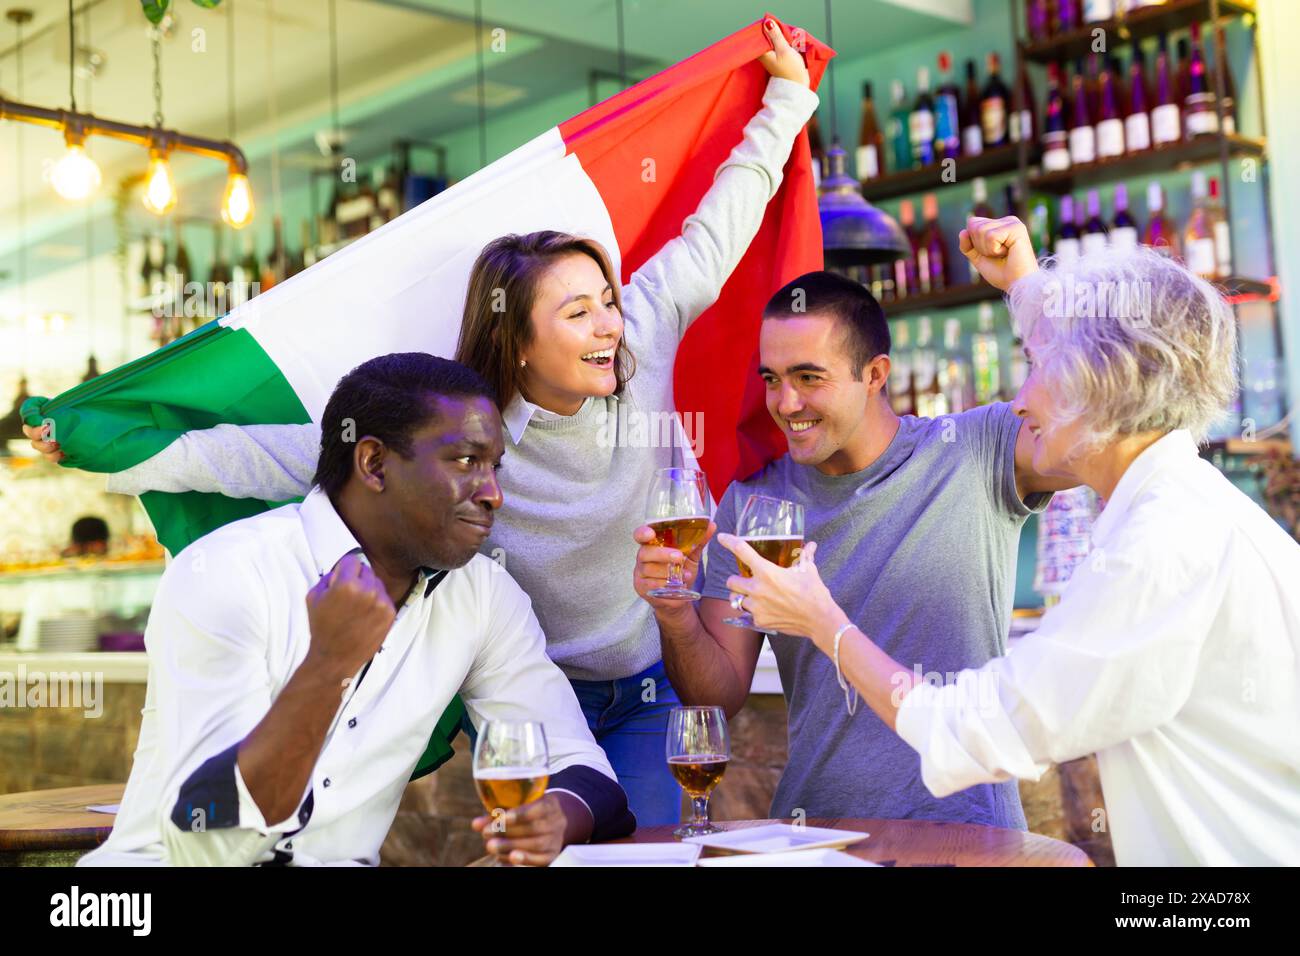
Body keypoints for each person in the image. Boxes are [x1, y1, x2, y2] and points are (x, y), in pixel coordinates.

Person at [27, 21, 818, 826]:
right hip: (521, 686)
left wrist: (788, 97)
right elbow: (269, 456)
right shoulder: (465, 429)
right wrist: (102, 447)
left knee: (644, 844)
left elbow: (720, 226)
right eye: (578, 312)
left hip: (648, 685)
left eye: (607, 300)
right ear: (518, 338)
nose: (610, 324)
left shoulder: (640, 339)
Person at [720, 217, 1300, 865]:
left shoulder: (1159, 547)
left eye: (1042, 370)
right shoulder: (1187, 509)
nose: (1019, 402)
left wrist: (823, 621)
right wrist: (1027, 290)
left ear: (1099, 386)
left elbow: (969, 729)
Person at [80, 354, 633, 866]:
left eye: (494, 467)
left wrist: (556, 817)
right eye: (465, 461)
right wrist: (329, 666)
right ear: (373, 462)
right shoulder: (226, 572)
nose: (492, 493)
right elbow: (208, 844)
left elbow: (585, 771)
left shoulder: (481, 595)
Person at [633, 265, 1075, 828]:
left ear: (875, 374)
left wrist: (1025, 282)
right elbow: (718, 696)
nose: (786, 403)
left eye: (809, 377)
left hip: (967, 834)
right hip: (815, 835)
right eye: (771, 379)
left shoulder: (974, 452)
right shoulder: (750, 505)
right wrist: (674, 614)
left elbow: (1101, 409)